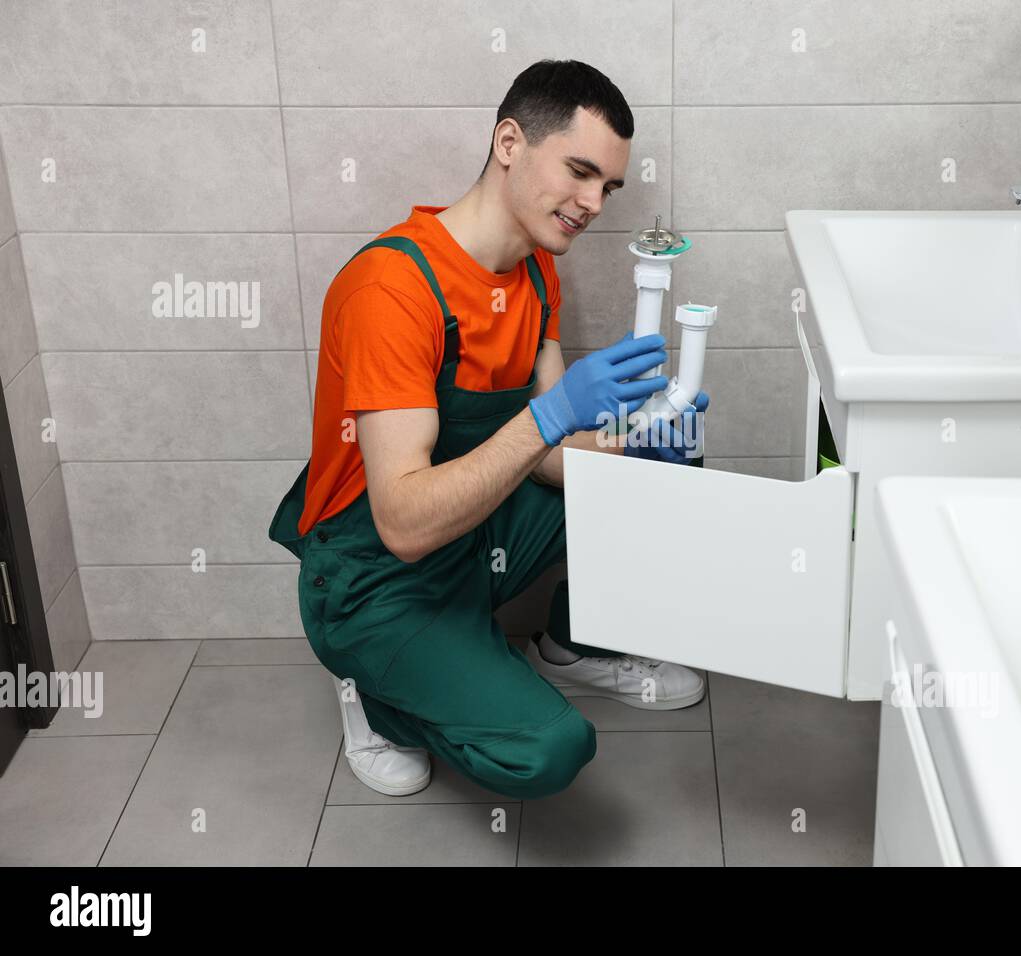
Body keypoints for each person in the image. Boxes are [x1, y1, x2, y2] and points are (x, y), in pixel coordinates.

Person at [267, 60, 710, 800]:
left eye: (609, 187)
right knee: (549, 750)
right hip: (377, 577)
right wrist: (552, 412)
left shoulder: (535, 273)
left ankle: (571, 650)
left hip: (476, 536)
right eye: (579, 171)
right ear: (510, 141)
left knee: (661, 468)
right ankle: (378, 698)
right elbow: (404, 522)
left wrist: (638, 441)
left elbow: (548, 460)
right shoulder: (394, 291)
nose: (594, 202)